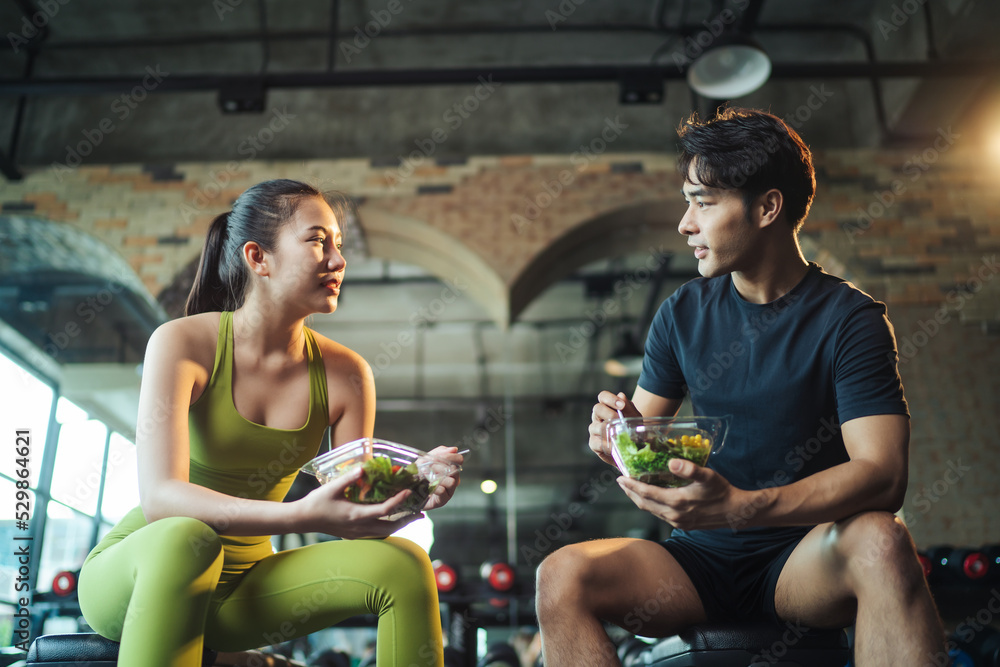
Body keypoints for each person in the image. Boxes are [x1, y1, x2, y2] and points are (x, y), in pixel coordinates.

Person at [535, 109, 946, 666]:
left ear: (767, 208)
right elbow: (642, 445)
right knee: (561, 574)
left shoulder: (851, 319)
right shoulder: (681, 313)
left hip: (804, 557)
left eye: (703, 202)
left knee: (883, 540)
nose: (685, 223)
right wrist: (616, 437)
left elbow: (883, 475)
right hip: (698, 563)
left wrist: (744, 508)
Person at [77, 179, 462, 667]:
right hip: (142, 575)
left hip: (244, 589)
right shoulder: (181, 343)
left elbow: (353, 515)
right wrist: (301, 516)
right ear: (258, 258)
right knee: (186, 537)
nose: (339, 261)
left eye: (338, 246)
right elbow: (161, 500)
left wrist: (411, 491)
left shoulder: (347, 375)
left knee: (406, 564)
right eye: (318, 240)